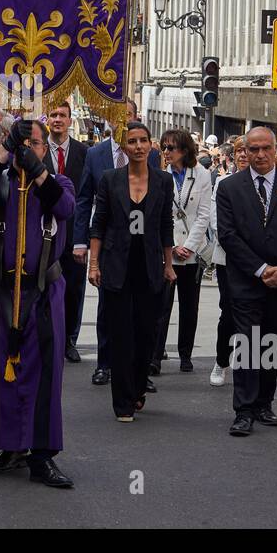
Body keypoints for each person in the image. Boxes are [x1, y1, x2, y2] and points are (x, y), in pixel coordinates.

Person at [0, 118, 75, 487]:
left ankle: (41, 456)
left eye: (36, 144)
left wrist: (37, 169)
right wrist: (7, 146)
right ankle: (10, 446)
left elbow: (65, 207)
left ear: (46, 149)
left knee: (43, 377)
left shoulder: (58, 183)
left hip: (42, 291)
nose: (29, 150)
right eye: (24, 144)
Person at [214, 127, 277, 437]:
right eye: (253, 149)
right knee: (246, 342)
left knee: (271, 341)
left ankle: (263, 402)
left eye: (265, 149)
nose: (260, 155)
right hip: (245, 280)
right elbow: (228, 235)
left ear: (275, 150)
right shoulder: (230, 187)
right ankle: (243, 410)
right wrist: (260, 269)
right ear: (244, 150)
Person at [89, 122, 175, 421]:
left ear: (151, 144)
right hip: (116, 265)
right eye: (132, 141)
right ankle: (122, 402)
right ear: (124, 147)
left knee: (146, 334)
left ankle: (138, 387)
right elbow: (99, 223)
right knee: (121, 334)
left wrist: (168, 264)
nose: (138, 146)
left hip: (150, 266)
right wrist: (94, 263)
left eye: (143, 141)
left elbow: (166, 224)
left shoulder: (163, 181)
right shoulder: (110, 179)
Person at [74, 105, 161, 385]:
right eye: (117, 116)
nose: (123, 121)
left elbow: (158, 205)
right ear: (109, 120)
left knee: (142, 312)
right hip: (111, 243)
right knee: (109, 308)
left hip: (144, 245)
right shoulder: (96, 154)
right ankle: (105, 363)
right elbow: (85, 198)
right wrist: (82, 242)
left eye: (128, 116)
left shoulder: (152, 155)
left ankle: (139, 369)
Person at [154, 129, 211, 373]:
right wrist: (171, 245)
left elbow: (203, 214)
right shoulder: (157, 174)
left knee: (189, 306)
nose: (166, 152)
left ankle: (185, 353)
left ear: (184, 150)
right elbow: (157, 215)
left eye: (171, 148)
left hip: (191, 250)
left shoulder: (202, 175)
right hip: (166, 250)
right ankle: (155, 355)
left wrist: (187, 246)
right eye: (164, 147)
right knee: (161, 306)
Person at [43, 101, 87, 364]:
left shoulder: (84, 152)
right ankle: (47, 336)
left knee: (73, 288)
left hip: (74, 233)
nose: (57, 119)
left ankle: (70, 339)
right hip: (44, 230)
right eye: (53, 115)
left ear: (70, 120)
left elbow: (87, 196)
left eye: (62, 115)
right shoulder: (37, 151)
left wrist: (85, 237)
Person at [206, 139, 247, 386]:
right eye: (239, 151)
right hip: (228, 258)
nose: (243, 155)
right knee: (229, 312)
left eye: (247, 151)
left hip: (259, 259)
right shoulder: (222, 183)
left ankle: (249, 365)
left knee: (254, 314)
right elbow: (216, 221)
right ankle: (222, 360)